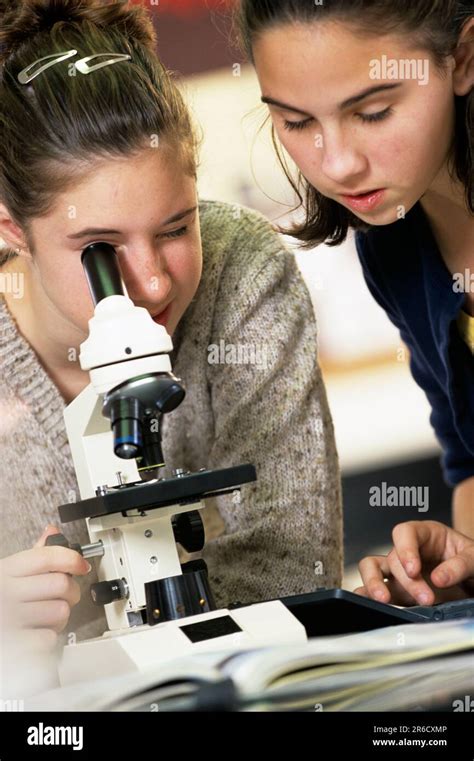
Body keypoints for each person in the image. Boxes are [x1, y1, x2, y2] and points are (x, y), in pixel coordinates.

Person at [0, 0, 342, 653]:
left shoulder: (243, 272)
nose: (154, 282)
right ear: (12, 227)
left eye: (176, 227)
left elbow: (296, 570)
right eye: (101, 246)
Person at [237, 0, 474, 605]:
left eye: (373, 112)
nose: (337, 163)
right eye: (295, 123)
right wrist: (456, 568)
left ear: (464, 58)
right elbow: (469, 457)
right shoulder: (398, 251)